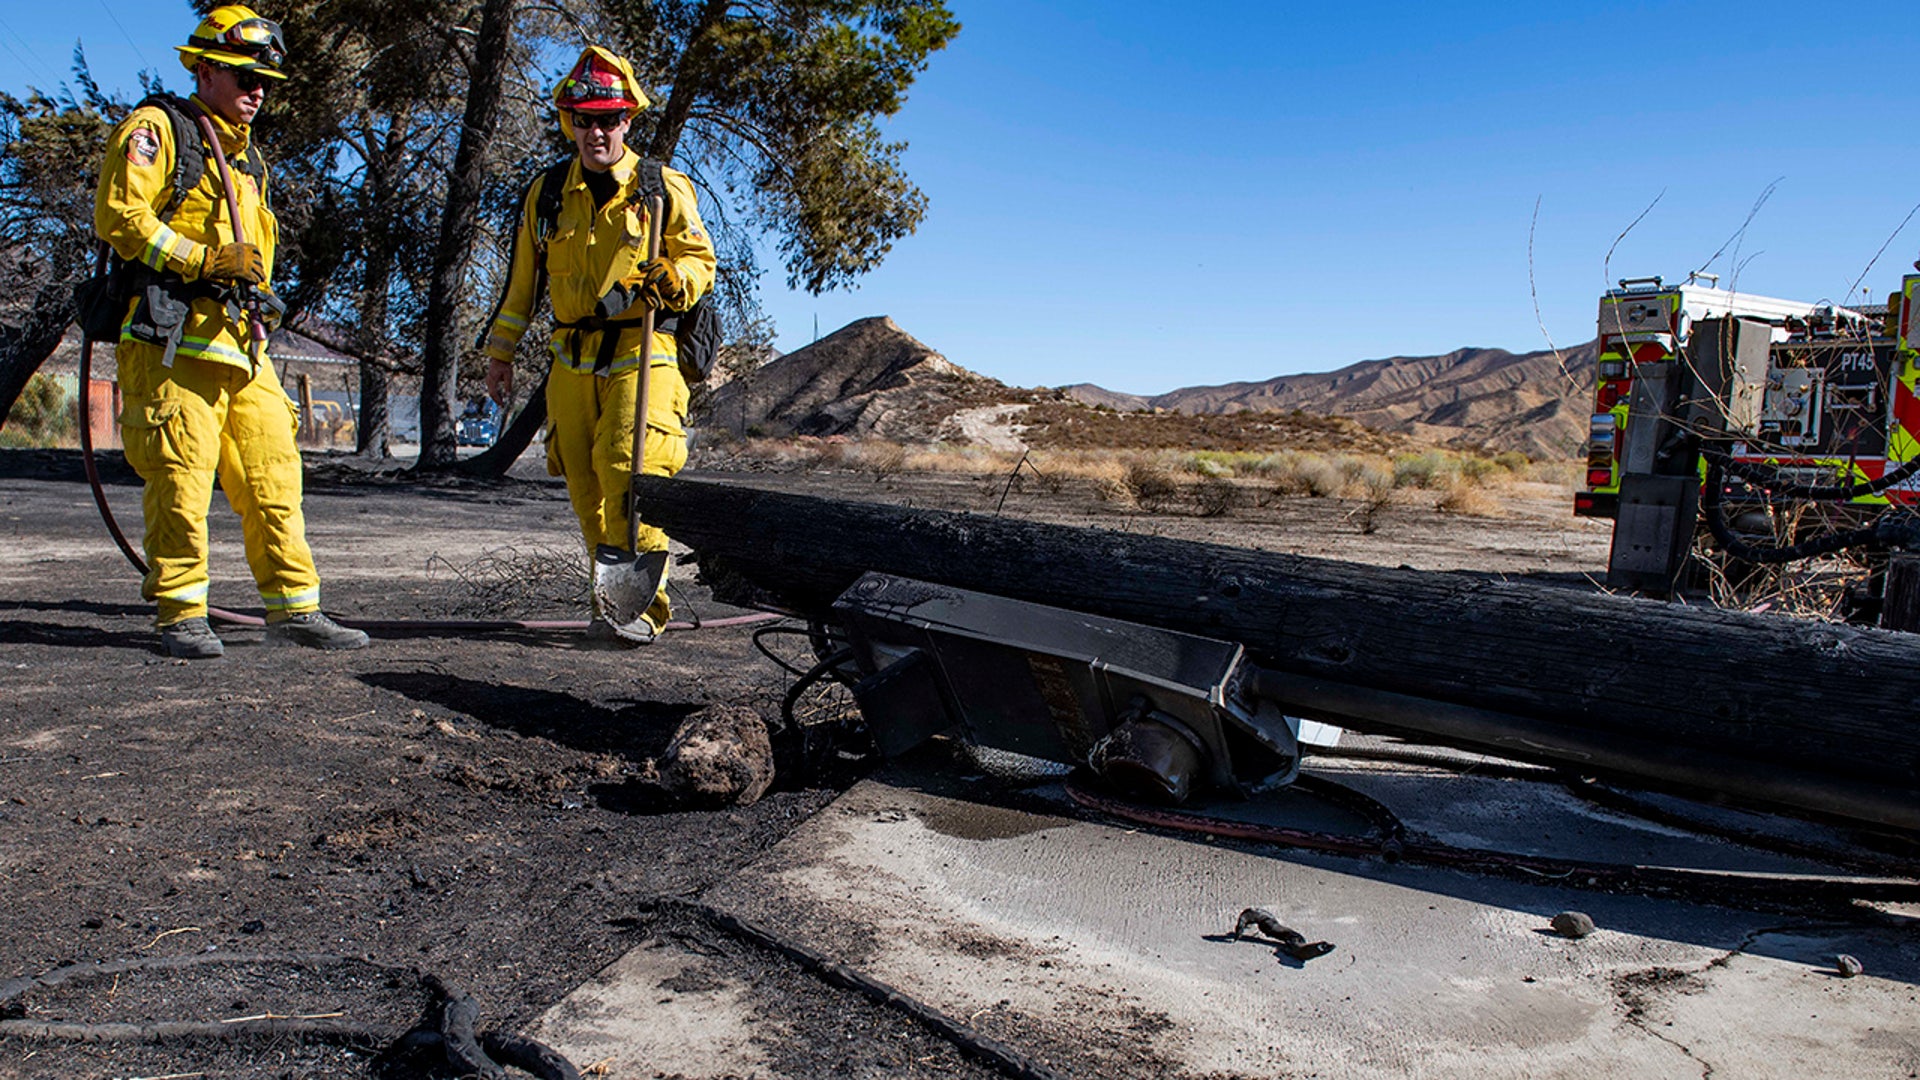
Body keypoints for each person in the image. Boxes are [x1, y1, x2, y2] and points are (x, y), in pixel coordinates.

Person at [93, 5, 368, 659]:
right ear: (206, 70)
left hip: (242, 348)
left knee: (275, 475)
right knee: (181, 478)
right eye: (245, 77)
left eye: (265, 81)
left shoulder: (249, 164)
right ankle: (181, 614)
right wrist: (202, 260)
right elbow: (120, 214)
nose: (258, 92)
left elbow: (253, 256)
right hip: (172, 342)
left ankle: (295, 608)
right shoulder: (160, 130)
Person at [480, 46, 717, 641]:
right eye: (584, 119)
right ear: (571, 123)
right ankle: (609, 605)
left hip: (645, 348)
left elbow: (699, 260)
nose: (597, 131)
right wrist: (500, 352)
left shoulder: (662, 186)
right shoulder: (547, 193)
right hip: (571, 358)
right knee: (587, 484)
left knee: (630, 472)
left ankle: (643, 612)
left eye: (608, 119)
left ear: (628, 121)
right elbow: (521, 285)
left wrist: (676, 279)